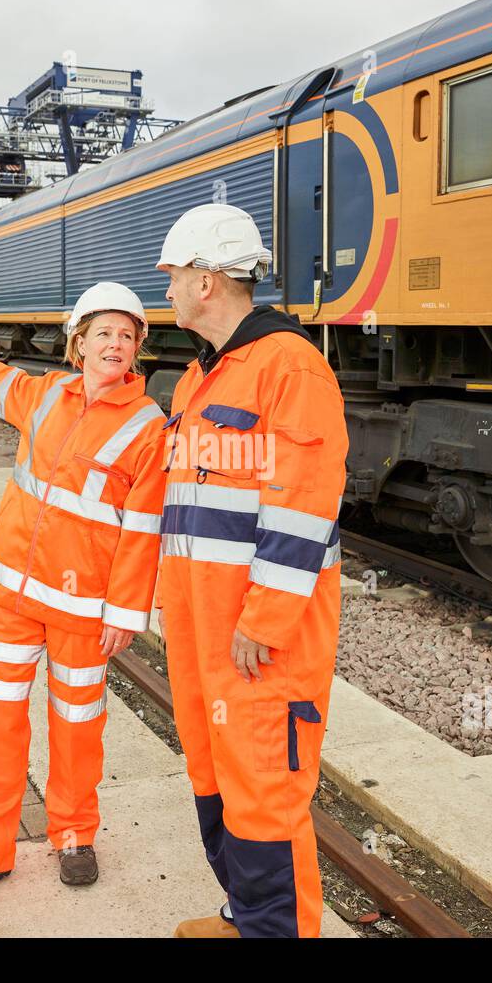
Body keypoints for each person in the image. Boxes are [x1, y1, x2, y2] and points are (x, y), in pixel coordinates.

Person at [0, 282, 166, 899]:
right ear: (78, 342)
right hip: (13, 599)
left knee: (77, 725)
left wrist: (127, 610)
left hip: (84, 610)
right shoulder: (47, 394)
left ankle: (75, 835)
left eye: (127, 336)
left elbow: (144, 526)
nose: (115, 345)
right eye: (103, 333)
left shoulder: (149, 427)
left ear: (137, 351)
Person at [154, 204, 349, 937]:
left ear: (206, 281)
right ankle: (244, 915)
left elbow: (303, 506)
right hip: (204, 629)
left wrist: (263, 620)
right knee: (215, 775)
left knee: (265, 786)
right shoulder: (201, 377)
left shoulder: (289, 368)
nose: (167, 288)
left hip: (257, 634)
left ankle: (276, 932)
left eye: (173, 276)